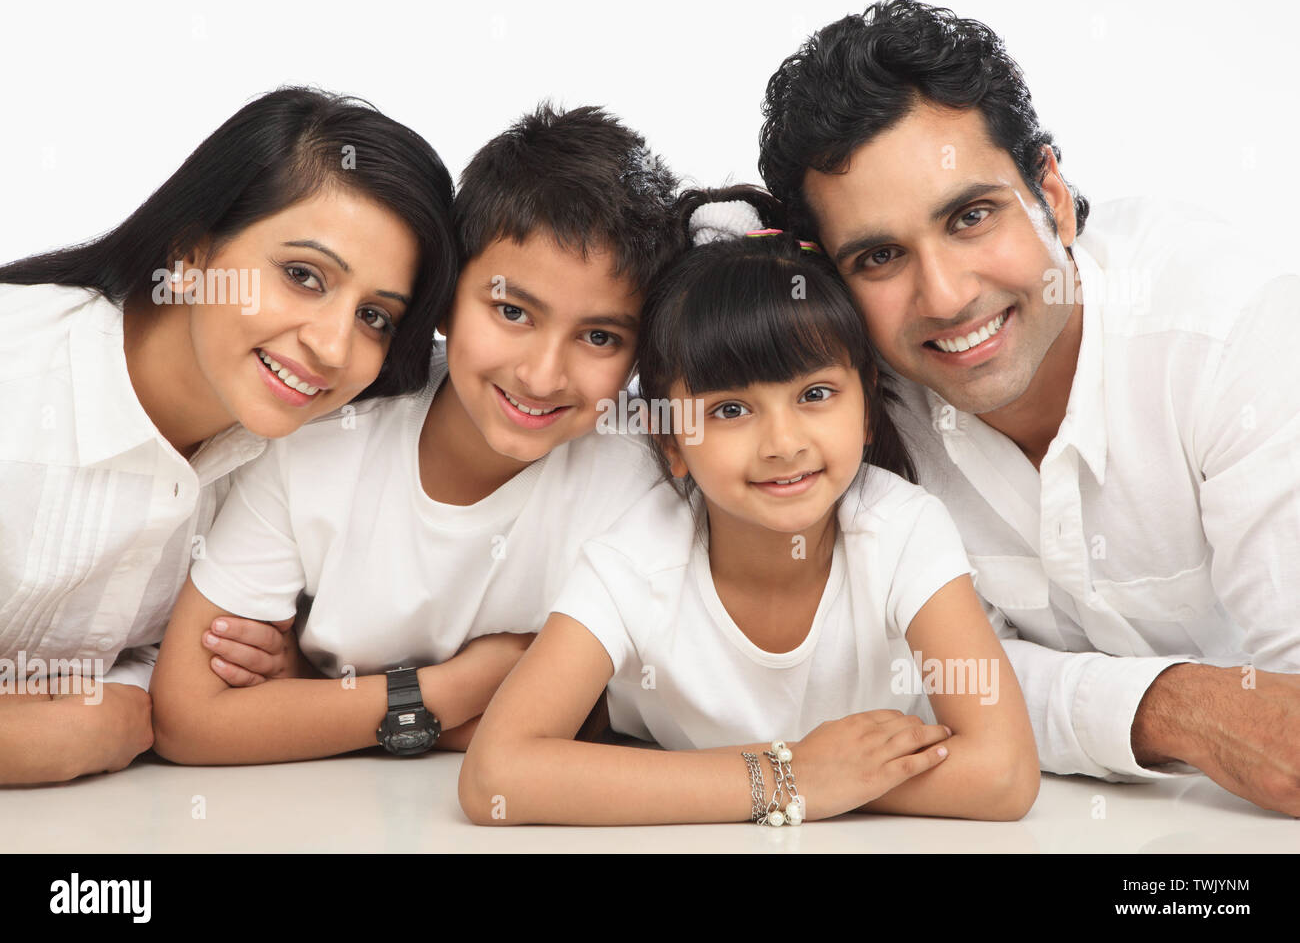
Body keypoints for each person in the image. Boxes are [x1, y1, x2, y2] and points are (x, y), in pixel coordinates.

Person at [758, 0, 1300, 815]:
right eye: (878, 256)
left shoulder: (1231, 333)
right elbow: (877, 683)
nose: (945, 296)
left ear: (1053, 195)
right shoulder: (833, 410)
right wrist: (1177, 707)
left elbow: (1289, 728)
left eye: (971, 216)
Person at [458, 187, 1038, 826]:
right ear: (672, 442)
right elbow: (495, 778)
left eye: (816, 393)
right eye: (730, 410)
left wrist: (824, 783)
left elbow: (1004, 773)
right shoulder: (636, 561)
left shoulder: (901, 529)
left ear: (867, 406)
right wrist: (791, 777)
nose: (783, 444)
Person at [148, 104, 681, 764]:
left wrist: (318, 697)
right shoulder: (319, 433)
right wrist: (465, 687)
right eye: (512, 311)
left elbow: (613, 723)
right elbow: (190, 721)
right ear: (446, 299)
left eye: (599, 336)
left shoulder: (643, 482)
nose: (543, 375)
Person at [0, 86, 456, 784]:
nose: (333, 347)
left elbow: (515, 377)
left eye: (376, 316)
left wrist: (289, 661)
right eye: (303, 275)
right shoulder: (18, 378)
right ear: (189, 253)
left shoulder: (320, 430)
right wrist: (70, 731)